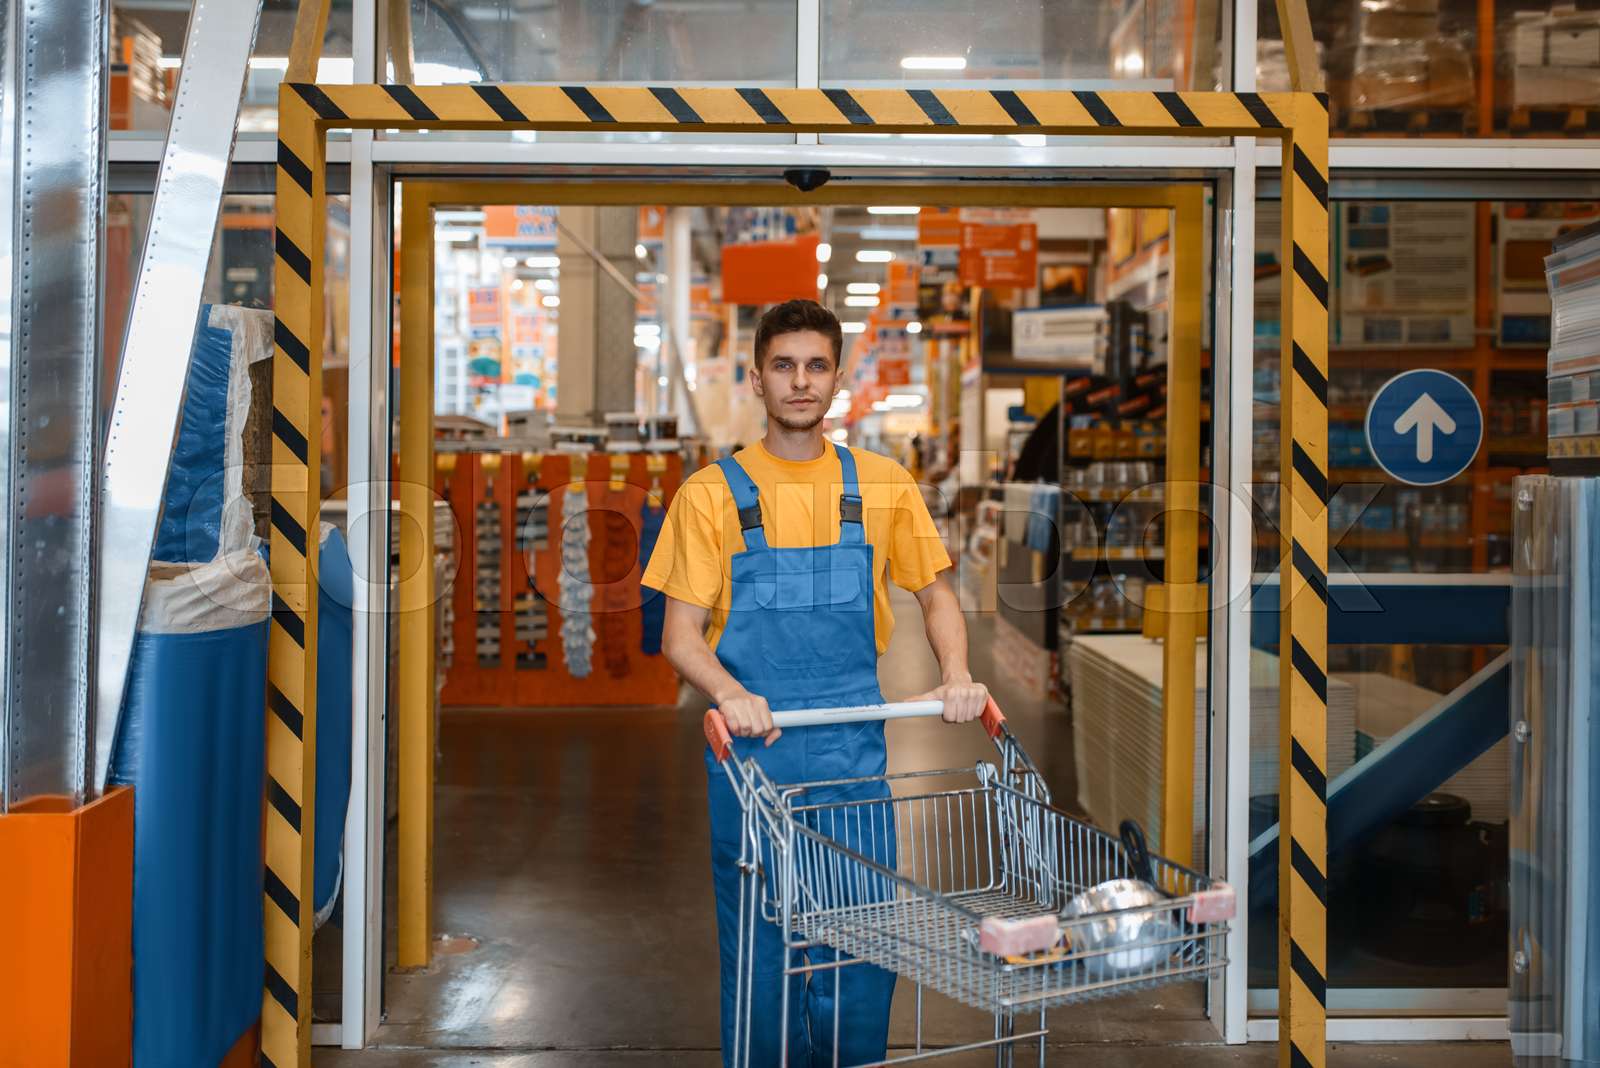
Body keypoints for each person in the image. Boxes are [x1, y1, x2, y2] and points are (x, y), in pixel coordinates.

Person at [641, 299, 988, 1066]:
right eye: (783, 365)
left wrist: (958, 673)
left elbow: (935, 594)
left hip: (852, 761)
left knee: (862, 940)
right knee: (761, 951)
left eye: (816, 366)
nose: (800, 381)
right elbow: (679, 637)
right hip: (752, 763)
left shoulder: (883, 485)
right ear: (757, 378)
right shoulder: (709, 495)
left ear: (838, 379)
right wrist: (729, 692)